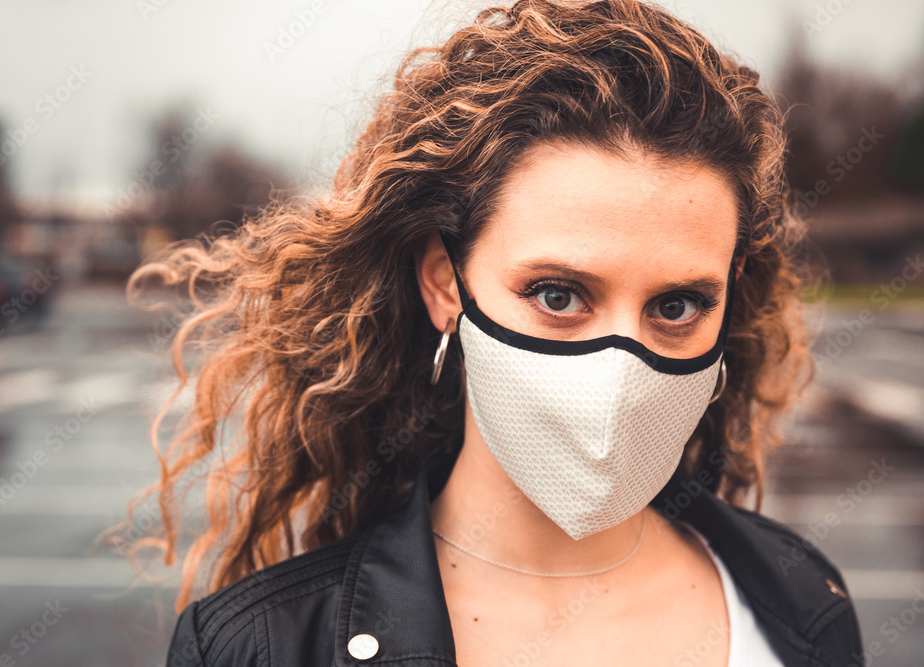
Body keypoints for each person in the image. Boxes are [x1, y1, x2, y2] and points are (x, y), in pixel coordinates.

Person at [126, 0, 864, 664]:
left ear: (729, 296)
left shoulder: (804, 602)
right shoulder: (262, 646)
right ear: (445, 283)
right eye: (557, 293)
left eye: (675, 307)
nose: (621, 371)